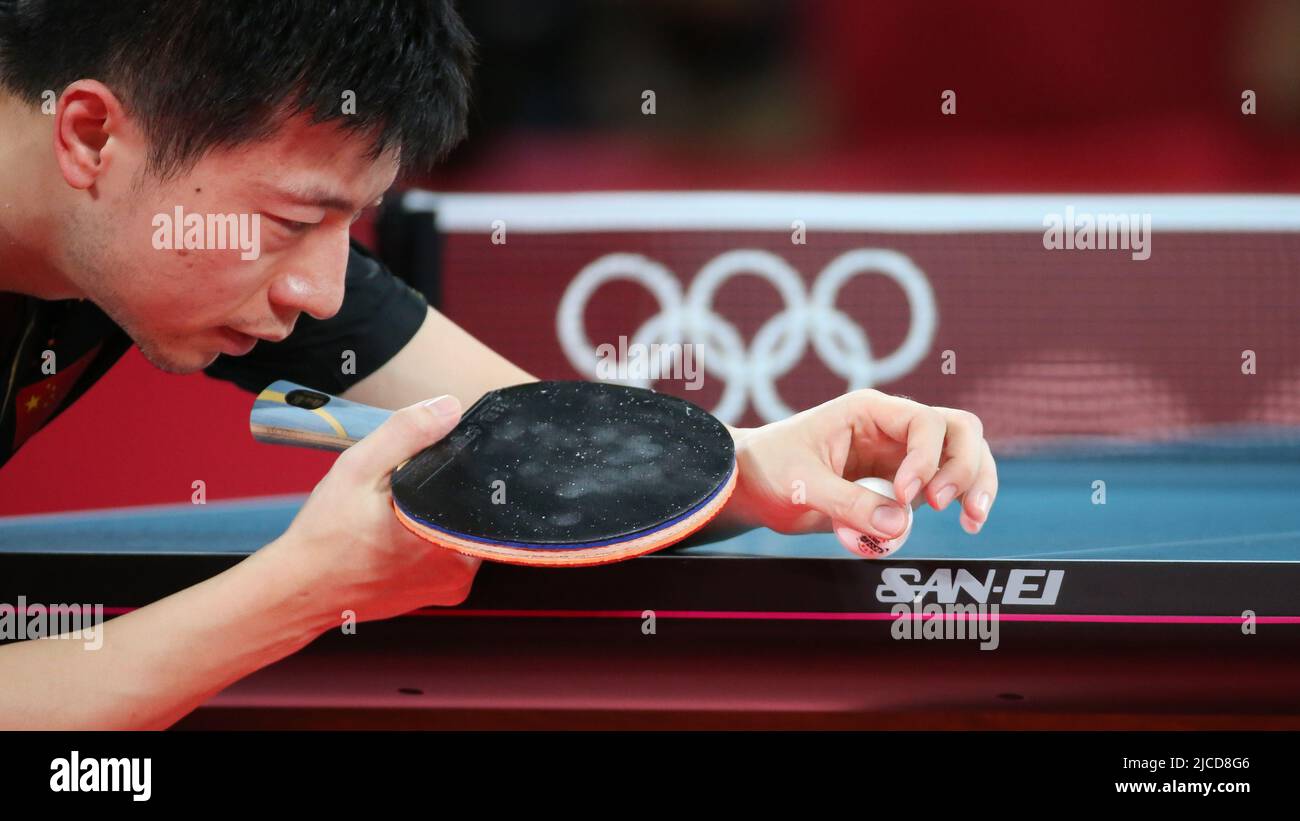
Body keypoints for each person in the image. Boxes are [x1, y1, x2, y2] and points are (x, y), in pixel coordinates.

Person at [0, 0, 997, 729]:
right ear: (91, 135)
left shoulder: (205, 236)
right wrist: (300, 590)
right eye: (294, 220)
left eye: (349, 221)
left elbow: (531, 447)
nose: (323, 291)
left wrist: (748, 465)